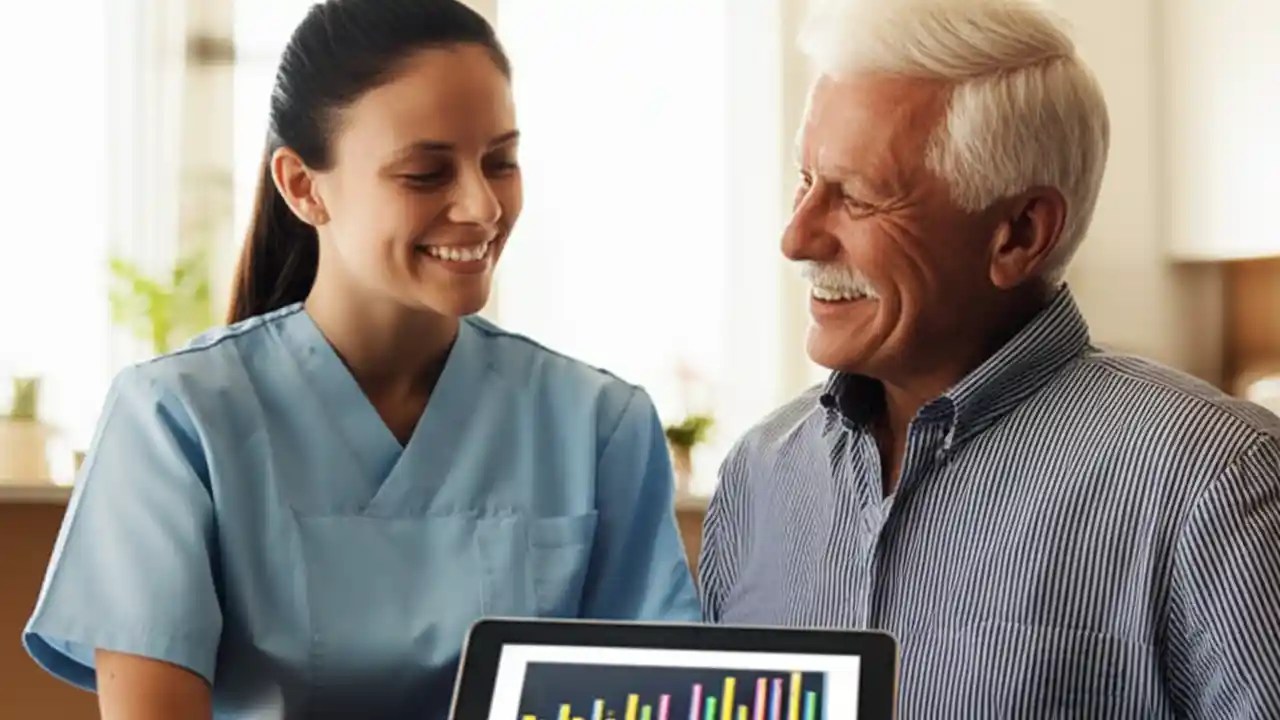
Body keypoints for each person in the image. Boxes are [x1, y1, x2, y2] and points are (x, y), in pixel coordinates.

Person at [24, 1, 699, 717]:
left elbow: (649, 696)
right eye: (424, 174)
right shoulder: (174, 422)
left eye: (500, 162)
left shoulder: (598, 426)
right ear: (303, 186)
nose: (481, 206)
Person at [698, 0, 1280, 716]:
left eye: (857, 197)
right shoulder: (760, 476)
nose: (797, 237)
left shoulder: (1216, 481)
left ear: (1021, 233)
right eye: (806, 180)